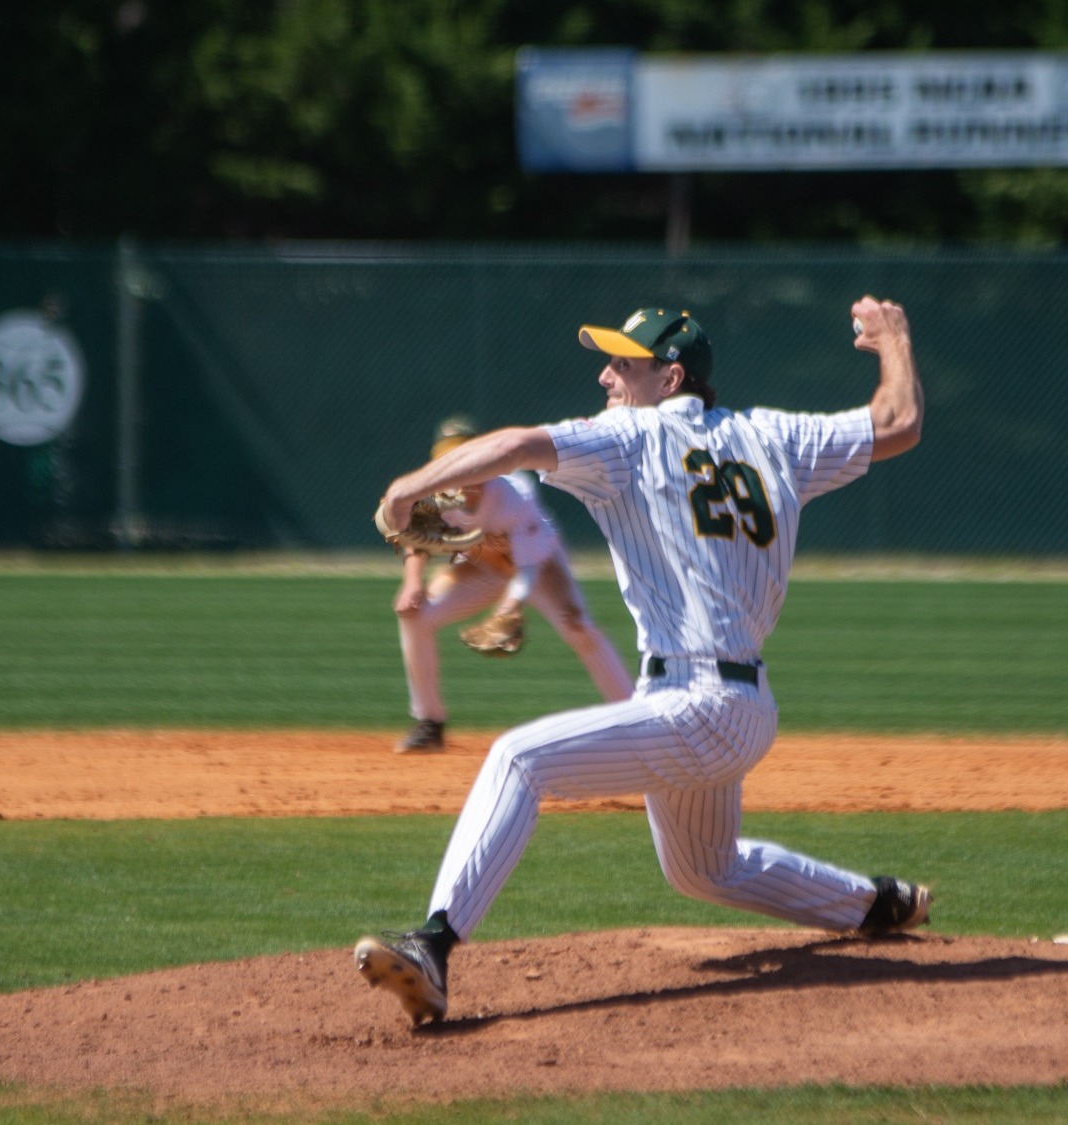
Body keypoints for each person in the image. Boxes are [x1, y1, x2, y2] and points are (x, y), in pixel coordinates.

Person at [355, 296, 929, 1025]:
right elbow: (898, 423)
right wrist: (894, 341)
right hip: (738, 706)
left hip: (696, 702)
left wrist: (410, 485)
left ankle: (433, 944)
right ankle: (874, 903)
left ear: (671, 377)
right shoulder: (773, 434)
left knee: (519, 759)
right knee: (700, 867)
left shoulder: (630, 437)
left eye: (623, 363)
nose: (605, 378)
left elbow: (519, 445)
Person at [391, 416, 635, 753]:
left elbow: (527, 570)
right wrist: (412, 582)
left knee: (578, 628)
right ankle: (430, 723)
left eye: (465, 457)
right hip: (483, 568)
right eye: (449, 458)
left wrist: (510, 606)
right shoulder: (434, 493)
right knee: (415, 614)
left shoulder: (513, 494)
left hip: (537, 565)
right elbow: (415, 537)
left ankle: (635, 719)